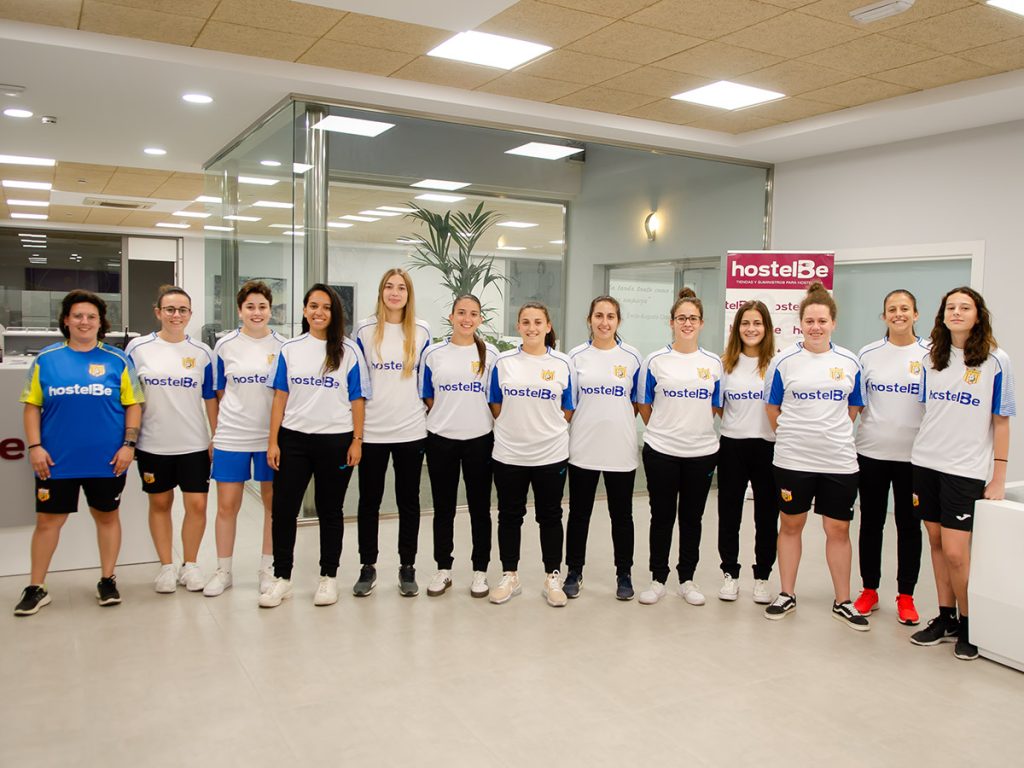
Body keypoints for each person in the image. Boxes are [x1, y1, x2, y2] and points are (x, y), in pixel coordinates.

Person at [14, 290, 143, 616]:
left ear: (101, 323)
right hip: (55, 461)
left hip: (107, 460)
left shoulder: (117, 360)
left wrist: (129, 446)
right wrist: (35, 447)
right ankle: (36, 586)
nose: (84, 322)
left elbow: (133, 406)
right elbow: (32, 407)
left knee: (107, 517)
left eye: (91, 317)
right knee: (48, 522)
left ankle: (107, 579)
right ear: (66, 321)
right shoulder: (46, 359)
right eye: (78, 316)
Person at [909, 287, 1014, 660]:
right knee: (935, 543)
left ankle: (970, 624)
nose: (956, 312)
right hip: (925, 462)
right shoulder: (930, 359)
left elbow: (1001, 422)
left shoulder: (995, 361)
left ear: (977, 315)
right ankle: (945, 617)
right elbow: (929, 411)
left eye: (964, 307)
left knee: (957, 552)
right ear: (942, 315)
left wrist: (998, 475)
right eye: (950, 307)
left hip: (965, 469)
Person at [762, 281, 868, 630]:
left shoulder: (850, 361)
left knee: (838, 529)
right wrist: (795, 436)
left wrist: (828, 434)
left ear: (833, 323)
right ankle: (787, 594)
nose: (816, 327)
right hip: (793, 460)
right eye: (809, 321)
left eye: (822, 321)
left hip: (838, 460)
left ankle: (843, 600)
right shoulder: (784, 361)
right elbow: (773, 407)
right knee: (791, 524)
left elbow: (854, 407)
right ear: (800, 323)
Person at [259, 284, 369, 608]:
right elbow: (280, 396)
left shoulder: (349, 351)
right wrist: (273, 441)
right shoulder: (290, 349)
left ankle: (328, 578)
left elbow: (357, 399)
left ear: (334, 313)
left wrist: (357, 441)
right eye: (313, 306)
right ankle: (282, 579)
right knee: (283, 511)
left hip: (336, 441)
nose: (318, 312)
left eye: (325, 307)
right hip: (293, 441)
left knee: (330, 511)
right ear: (304, 310)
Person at [126, 286, 217, 594]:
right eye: (170, 310)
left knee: (197, 505)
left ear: (190, 314)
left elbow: (210, 399)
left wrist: (215, 437)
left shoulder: (203, 353)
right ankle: (166, 565)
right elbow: (129, 398)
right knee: (160, 503)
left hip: (193, 443)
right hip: (153, 444)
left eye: (182, 310)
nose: (176, 315)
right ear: (158, 312)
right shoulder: (138, 349)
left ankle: (190, 564)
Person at [636, 287, 721, 607]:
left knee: (692, 517)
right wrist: (665, 427)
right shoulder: (655, 361)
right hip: (661, 450)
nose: (687, 323)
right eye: (681, 318)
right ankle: (658, 578)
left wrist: (691, 426)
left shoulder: (713, 363)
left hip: (701, 452)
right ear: (671, 322)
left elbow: (715, 405)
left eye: (693, 318)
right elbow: (644, 403)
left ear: (702, 323)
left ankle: (687, 578)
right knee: (661, 516)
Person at [488, 302, 574, 607]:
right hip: (510, 453)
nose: (532, 327)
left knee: (550, 516)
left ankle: (553, 576)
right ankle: (510, 575)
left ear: (548, 326)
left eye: (538, 322)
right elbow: (495, 405)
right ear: (518, 327)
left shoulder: (563, 363)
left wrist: (544, 431)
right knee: (510, 516)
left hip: (551, 454)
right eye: (525, 322)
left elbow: (568, 408)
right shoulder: (503, 362)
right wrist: (517, 429)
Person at [204, 281, 286, 597]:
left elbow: (284, 394)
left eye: (262, 306)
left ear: (270, 310)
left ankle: (267, 569)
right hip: (231, 436)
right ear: (240, 310)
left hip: (270, 438)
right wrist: (216, 433)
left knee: (271, 505)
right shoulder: (224, 346)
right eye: (250, 307)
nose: (256, 312)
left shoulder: (283, 346)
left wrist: (276, 437)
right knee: (227, 505)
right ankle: (223, 570)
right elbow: (219, 392)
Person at [852, 290, 929, 624]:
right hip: (871, 452)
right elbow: (856, 404)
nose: (898, 314)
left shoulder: (931, 354)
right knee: (870, 523)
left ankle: (906, 595)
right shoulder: (868, 354)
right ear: (883, 316)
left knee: (909, 526)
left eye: (905, 309)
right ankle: (869, 589)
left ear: (916, 314)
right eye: (891, 309)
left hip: (915, 457)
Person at [353, 268, 431, 597]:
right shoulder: (365, 330)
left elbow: (428, 380)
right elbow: (357, 382)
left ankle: (407, 567)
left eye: (401, 288)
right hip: (372, 430)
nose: (395, 293)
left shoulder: (423, 331)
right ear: (381, 291)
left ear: (409, 294)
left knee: (408, 502)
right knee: (369, 502)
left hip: (411, 429)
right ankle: (367, 566)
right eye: (389, 286)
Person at [419, 295, 498, 598]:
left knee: (480, 509)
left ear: (480, 319)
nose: (467, 319)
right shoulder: (434, 353)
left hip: (480, 439)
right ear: (451, 316)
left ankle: (480, 571)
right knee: (443, 508)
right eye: (461, 313)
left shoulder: (490, 353)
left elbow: (495, 398)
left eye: (474, 314)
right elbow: (427, 394)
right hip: (441, 440)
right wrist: (446, 416)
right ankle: (444, 569)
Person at [564, 296, 641, 600]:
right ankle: (574, 570)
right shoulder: (575, 356)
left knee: (621, 515)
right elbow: (569, 402)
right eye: (599, 315)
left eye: (610, 316)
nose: (604, 322)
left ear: (618, 321)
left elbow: (636, 402)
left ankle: (624, 574)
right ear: (589, 319)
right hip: (583, 447)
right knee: (579, 513)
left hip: (620, 449)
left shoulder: (632, 356)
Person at [716, 300, 777, 605]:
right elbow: (718, 406)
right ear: (736, 328)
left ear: (766, 328)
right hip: (731, 445)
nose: (751, 329)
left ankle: (762, 576)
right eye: (745, 323)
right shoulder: (725, 363)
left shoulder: (777, 364)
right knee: (729, 513)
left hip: (768, 446)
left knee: (766, 516)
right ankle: (730, 574)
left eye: (757, 323)